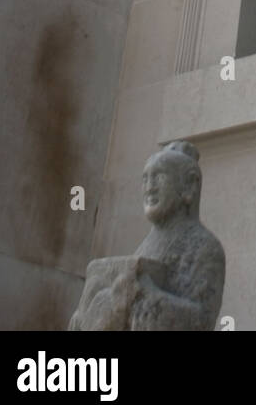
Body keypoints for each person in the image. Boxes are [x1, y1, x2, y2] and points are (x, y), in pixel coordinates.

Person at [69, 141, 225, 331]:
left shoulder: (205, 247)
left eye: (159, 177)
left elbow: (201, 321)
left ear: (189, 186)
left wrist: (145, 295)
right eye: (145, 179)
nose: (149, 187)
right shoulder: (148, 244)